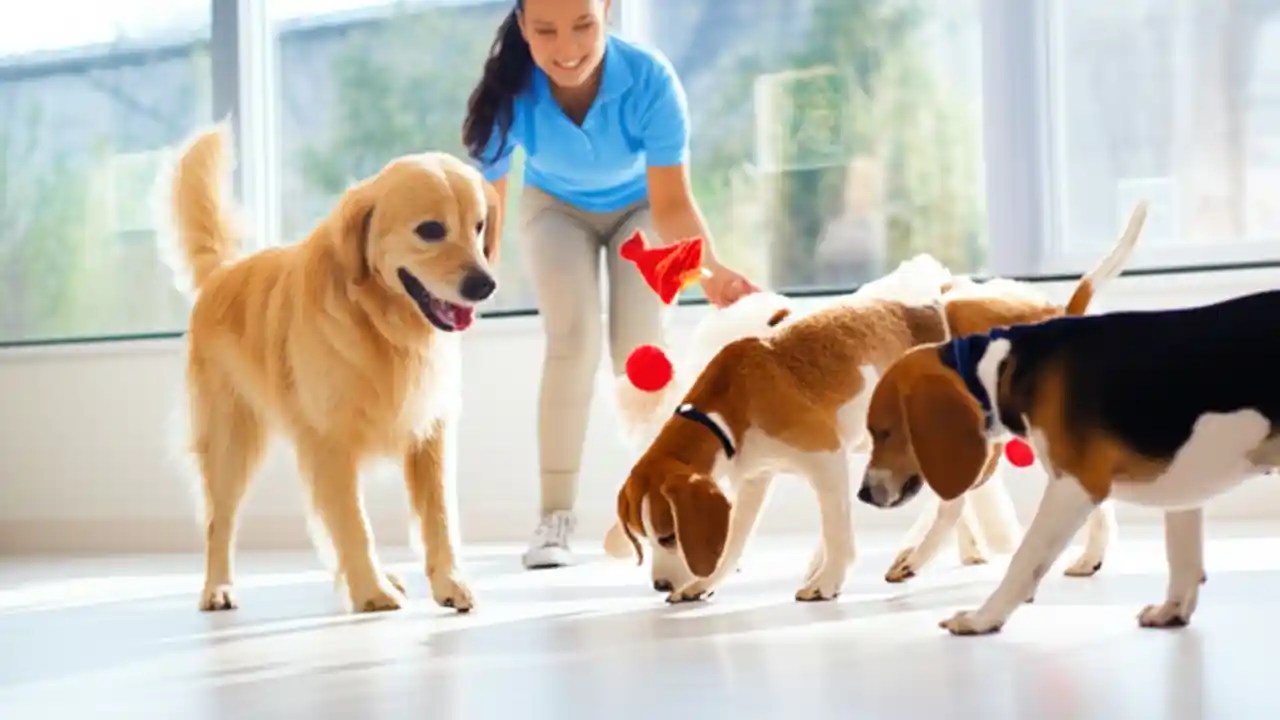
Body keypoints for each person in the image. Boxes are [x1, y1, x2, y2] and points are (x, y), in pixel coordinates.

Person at [463, 0, 758, 569]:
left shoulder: (650, 79)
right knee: (571, 345)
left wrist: (711, 272)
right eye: (545, 30)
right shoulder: (509, 89)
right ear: (522, 25)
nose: (566, 49)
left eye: (583, 26)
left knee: (641, 356)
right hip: (555, 210)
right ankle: (555, 518)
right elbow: (490, 207)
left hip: (641, 211)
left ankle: (671, 503)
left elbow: (671, 203)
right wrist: (475, 285)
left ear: (608, 12)